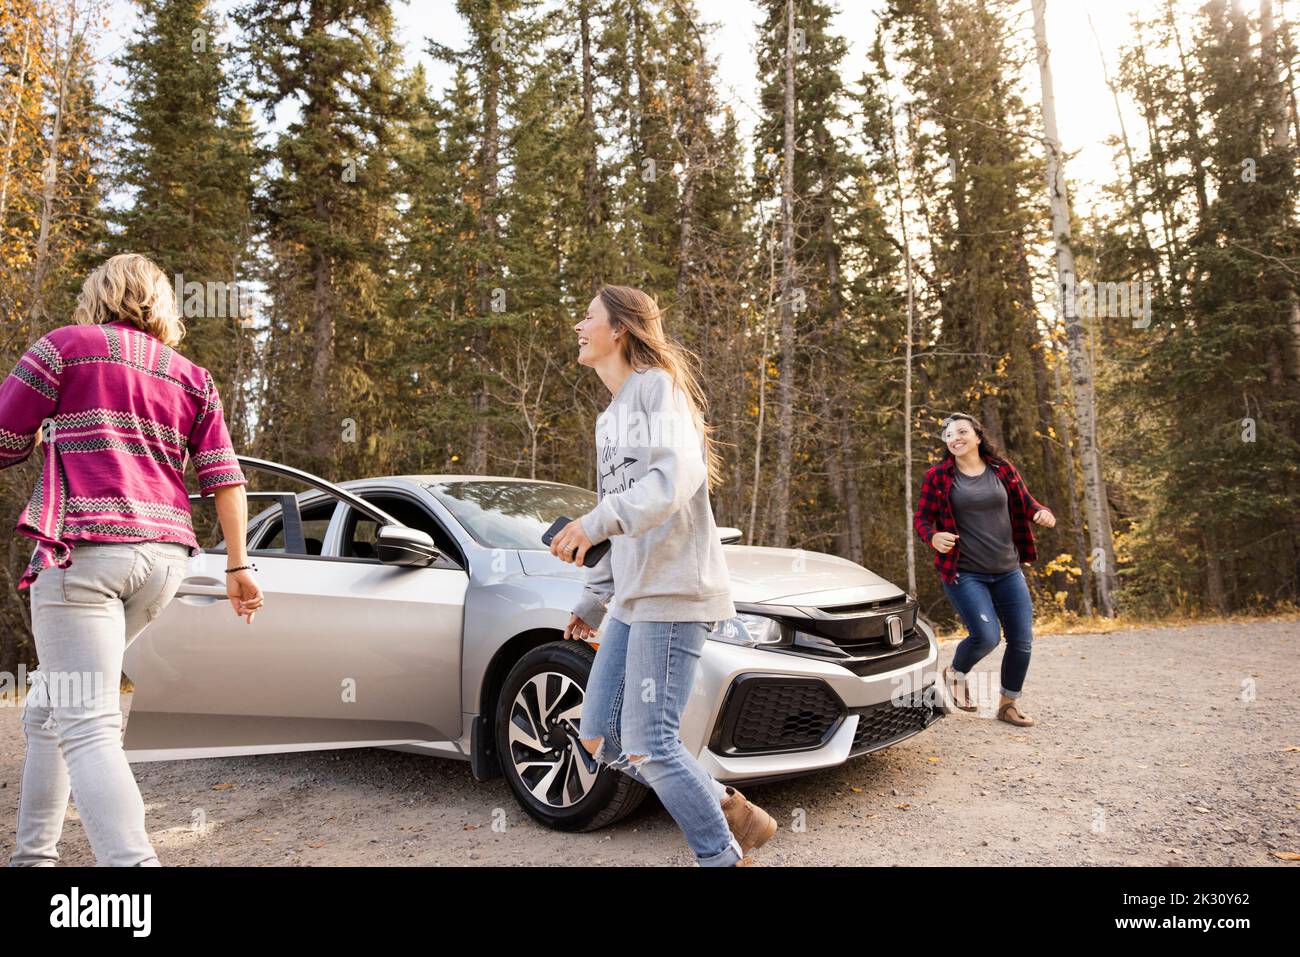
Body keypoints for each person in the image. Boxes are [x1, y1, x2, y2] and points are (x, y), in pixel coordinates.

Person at [6, 253, 263, 866]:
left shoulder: (64, 348)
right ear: (162, 307)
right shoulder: (191, 376)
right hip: (166, 558)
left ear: (98, 295)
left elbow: (2, 439)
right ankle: (32, 857)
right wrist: (238, 565)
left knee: (87, 723)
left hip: (86, 554)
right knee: (50, 707)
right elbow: (225, 479)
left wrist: (39, 433)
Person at [550, 284, 777, 867]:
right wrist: (595, 596)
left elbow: (670, 484)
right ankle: (729, 809)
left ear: (619, 329)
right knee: (602, 737)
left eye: (588, 316)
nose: (579, 325)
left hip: (676, 593)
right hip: (630, 600)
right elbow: (624, 522)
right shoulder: (608, 419)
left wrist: (594, 522)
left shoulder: (660, 391)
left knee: (650, 741)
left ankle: (721, 855)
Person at [913, 412, 1055, 727]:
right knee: (987, 636)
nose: (955, 438)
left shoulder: (1002, 470)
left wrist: (1042, 512)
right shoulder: (938, 477)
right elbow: (921, 519)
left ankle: (1008, 705)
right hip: (965, 572)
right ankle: (956, 673)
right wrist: (933, 536)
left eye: (961, 431)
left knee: (1022, 640)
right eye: (948, 435)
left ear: (978, 436)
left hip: (1008, 569)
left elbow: (1028, 504)